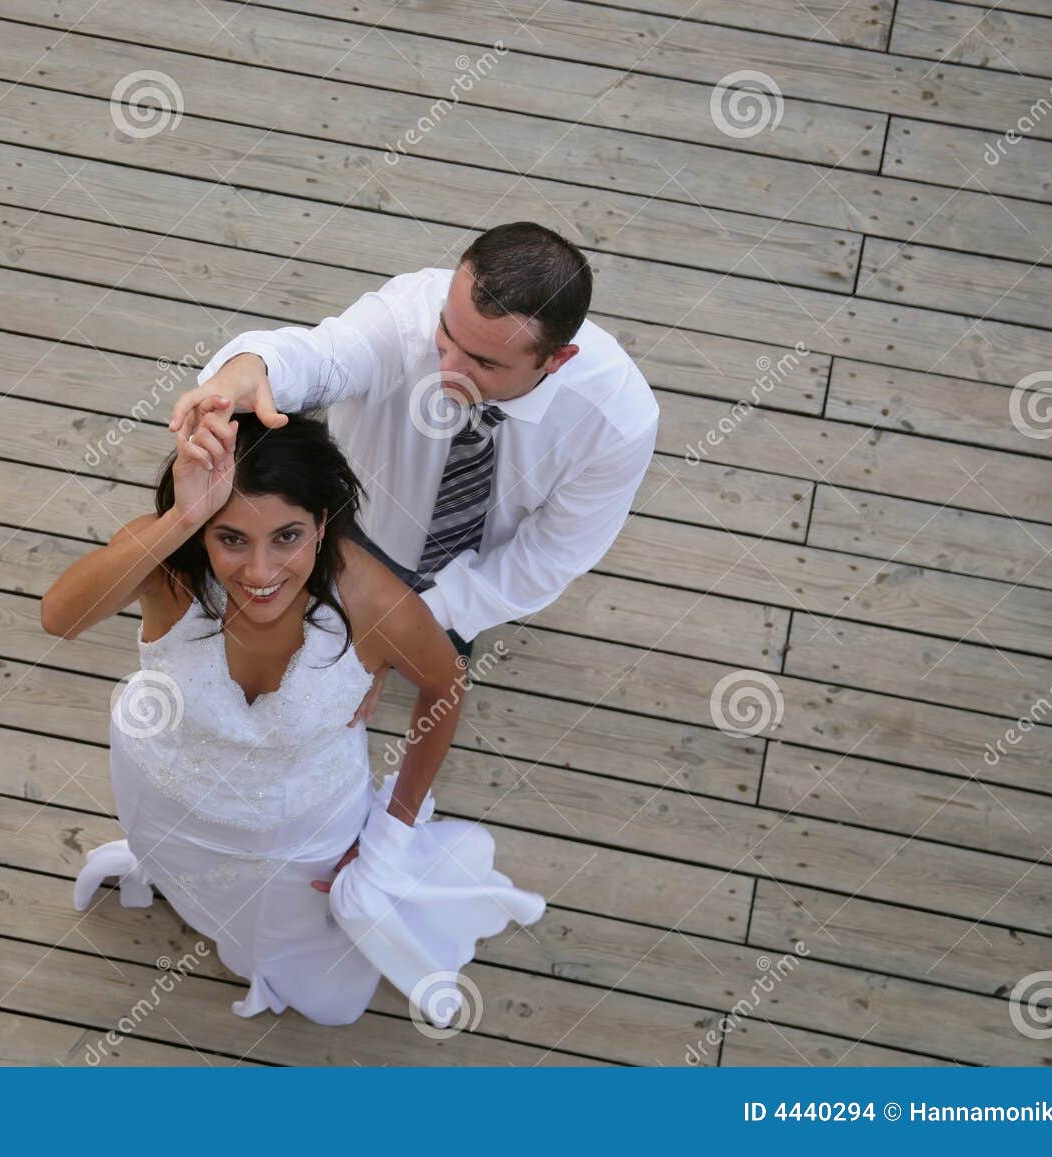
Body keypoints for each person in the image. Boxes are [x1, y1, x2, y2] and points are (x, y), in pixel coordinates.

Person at [42, 412, 544, 1026]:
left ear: (323, 523)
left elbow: (444, 685)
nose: (259, 573)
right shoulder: (168, 564)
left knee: (320, 982)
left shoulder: (376, 605)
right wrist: (182, 519)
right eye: (231, 539)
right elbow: (60, 619)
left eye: (287, 537)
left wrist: (392, 833)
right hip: (166, 792)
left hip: (300, 832)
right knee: (197, 884)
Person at [170, 221, 660, 726]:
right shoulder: (409, 312)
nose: (448, 371)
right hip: (350, 525)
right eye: (446, 336)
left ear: (557, 359)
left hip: (473, 570)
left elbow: (547, 557)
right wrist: (252, 366)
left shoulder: (617, 423)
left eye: (483, 363)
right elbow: (323, 356)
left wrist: (398, 630)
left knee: (434, 671)